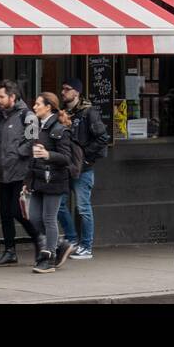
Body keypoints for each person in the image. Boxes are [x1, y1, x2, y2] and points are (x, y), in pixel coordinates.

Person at [57, 77, 107, 260]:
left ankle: (86, 246)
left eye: (66, 89)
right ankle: (72, 239)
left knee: (83, 207)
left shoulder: (88, 112)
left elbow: (102, 139)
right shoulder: (64, 113)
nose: (63, 92)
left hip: (83, 170)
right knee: (60, 205)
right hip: (66, 167)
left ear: (76, 92)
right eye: (62, 89)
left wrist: (84, 157)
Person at [0, 80, 40, 266]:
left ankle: (40, 239)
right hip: (4, 171)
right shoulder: (1, 116)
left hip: (21, 172)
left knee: (18, 211)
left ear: (12, 96)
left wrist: (18, 153)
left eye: (1, 96)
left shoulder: (28, 115)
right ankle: (10, 251)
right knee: (4, 212)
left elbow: (33, 140)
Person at [26, 92, 74, 273]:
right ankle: (60, 244)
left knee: (48, 218)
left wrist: (48, 155)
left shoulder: (60, 129)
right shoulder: (38, 127)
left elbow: (66, 158)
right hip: (38, 179)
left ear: (48, 107)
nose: (34, 107)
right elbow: (33, 157)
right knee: (34, 217)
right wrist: (27, 181)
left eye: (38, 104)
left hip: (54, 180)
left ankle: (49, 256)